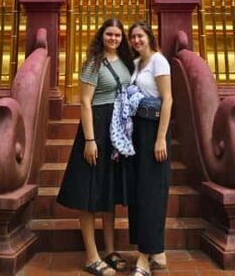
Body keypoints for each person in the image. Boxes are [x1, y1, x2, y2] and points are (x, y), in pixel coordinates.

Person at [57, 19, 134, 276]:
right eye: (109, 34)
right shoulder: (93, 63)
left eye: (117, 35)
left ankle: (110, 250)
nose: (113, 38)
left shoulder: (125, 62)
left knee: (108, 192)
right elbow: (85, 103)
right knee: (90, 192)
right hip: (97, 129)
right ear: (102, 36)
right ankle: (92, 255)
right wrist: (90, 140)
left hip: (117, 131)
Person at [127, 21, 172, 276]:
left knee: (152, 192)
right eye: (133, 37)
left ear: (149, 37)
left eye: (140, 36)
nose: (136, 41)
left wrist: (161, 137)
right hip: (137, 131)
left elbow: (168, 99)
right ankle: (158, 251)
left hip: (154, 129)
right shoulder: (135, 64)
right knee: (140, 191)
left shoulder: (159, 61)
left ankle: (144, 259)